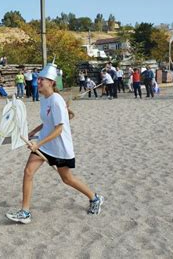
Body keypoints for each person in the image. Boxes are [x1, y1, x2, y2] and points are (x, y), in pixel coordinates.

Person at [6, 61, 103, 224]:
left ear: (51, 82)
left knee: (67, 179)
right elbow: (47, 122)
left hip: (59, 146)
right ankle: (25, 212)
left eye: (41, 79)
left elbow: (58, 129)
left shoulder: (56, 100)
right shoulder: (44, 99)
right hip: (44, 143)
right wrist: (33, 133)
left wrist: (38, 143)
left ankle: (94, 198)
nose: (38, 82)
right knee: (28, 172)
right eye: (38, 79)